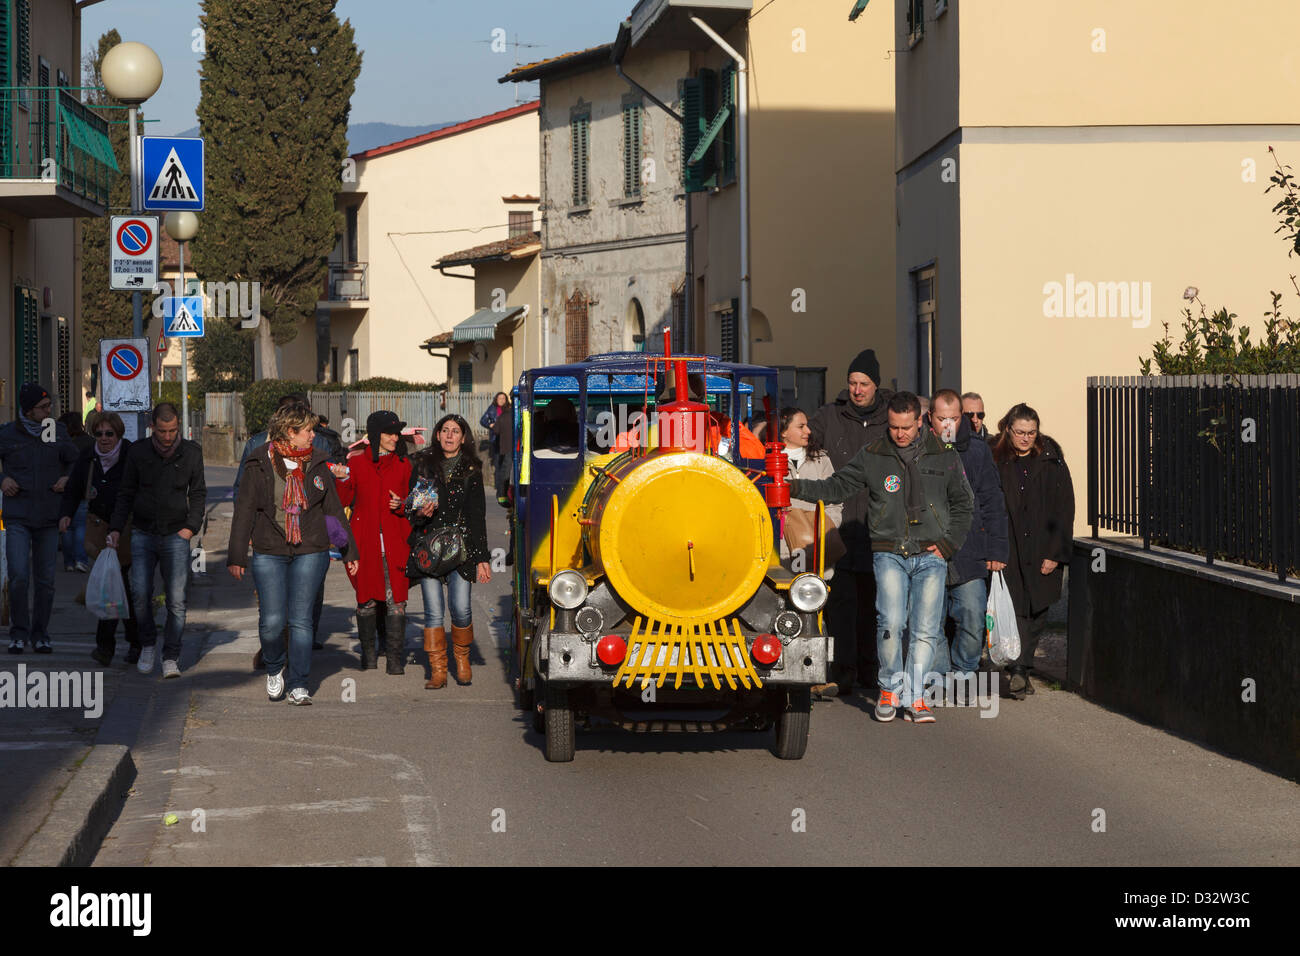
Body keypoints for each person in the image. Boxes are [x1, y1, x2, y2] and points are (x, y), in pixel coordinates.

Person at [792, 391, 974, 723]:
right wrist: (793, 487)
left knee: (926, 628)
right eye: (893, 427)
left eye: (906, 427)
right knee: (890, 623)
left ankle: (916, 697)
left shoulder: (945, 456)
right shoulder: (873, 454)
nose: (900, 433)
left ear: (920, 421)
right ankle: (889, 689)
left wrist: (949, 543)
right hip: (889, 552)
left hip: (932, 553)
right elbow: (836, 487)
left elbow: (964, 503)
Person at [227, 402, 358, 705]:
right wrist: (236, 556)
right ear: (290, 432)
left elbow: (333, 510)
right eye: (309, 430)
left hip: (310, 549)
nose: (314, 435)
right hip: (269, 550)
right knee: (273, 622)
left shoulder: (319, 462)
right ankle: (275, 668)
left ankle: (299, 683)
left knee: (301, 620)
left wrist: (350, 553)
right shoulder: (258, 461)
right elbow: (244, 509)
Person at [807, 348, 895, 698]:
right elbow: (803, 439)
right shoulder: (831, 416)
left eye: (865, 383)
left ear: (876, 385)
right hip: (840, 529)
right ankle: (843, 671)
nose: (858, 390)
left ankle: (871, 671)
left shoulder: (890, 417)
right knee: (841, 605)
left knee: (876, 606)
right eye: (853, 383)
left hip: (879, 529)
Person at [236, 393, 342, 657]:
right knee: (272, 606)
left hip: (311, 539)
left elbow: (333, 498)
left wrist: (341, 542)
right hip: (271, 538)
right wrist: (246, 535)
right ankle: (275, 648)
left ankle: (301, 647)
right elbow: (243, 492)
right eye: (303, 425)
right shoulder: (257, 446)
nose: (311, 432)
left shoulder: (323, 446)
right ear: (285, 425)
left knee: (308, 599)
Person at [107, 402, 206, 678]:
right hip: (142, 533)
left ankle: (171, 655)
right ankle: (148, 644)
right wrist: (116, 529)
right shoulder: (138, 452)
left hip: (176, 534)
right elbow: (125, 493)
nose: (167, 437)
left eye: (173, 430)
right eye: (162, 431)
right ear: (153, 426)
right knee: (139, 594)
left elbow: (198, 493)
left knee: (177, 600)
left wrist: (191, 527)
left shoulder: (191, 453)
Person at [991, 404, 1075, 700]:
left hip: (1043, 548)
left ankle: (1021, 671)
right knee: (1013, 611)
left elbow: (1065, 509)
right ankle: (1018, 670)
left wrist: (1055, 553)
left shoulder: (1051, 460)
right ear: (1008, 430)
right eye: (1020, 432)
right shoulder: (996, 458)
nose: (1025, 438)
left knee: (1038, 610)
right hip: (1009, 547)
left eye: (1031, 432)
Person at [407, 413, 492, 688]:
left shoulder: (471, 469)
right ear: (438, 434)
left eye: (455, 431)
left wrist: (482, 558)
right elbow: (412, 509)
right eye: (445, 430)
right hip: (429, 548)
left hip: (462, 550)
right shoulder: (422, 463)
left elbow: (477, 516)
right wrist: (420, 511)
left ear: (463, 437)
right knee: (433, 612)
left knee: (461, 609)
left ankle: (463, 661)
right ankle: (438, 670)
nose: (449, 435)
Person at [928, 389, 1008, 676]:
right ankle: (937, 676)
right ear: (930, 418)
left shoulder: (977, 450)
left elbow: (993, 500)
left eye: (953, 418)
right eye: (941, 419)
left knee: (973, 619)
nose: (948, 425)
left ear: (961, 417)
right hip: (929, 554)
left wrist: (997, 550)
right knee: (931, 623)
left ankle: (963, 671)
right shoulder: (918, 449)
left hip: (969, 552)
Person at [0, 384, 78, 653]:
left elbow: (75, 461)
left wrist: (67, 477)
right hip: (18, 515)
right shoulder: (8, 433)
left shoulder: (56, 432)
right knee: (19, 575)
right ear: (28, 410)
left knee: (45, 580)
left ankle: (41, 633)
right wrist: (3, 479)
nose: (49, 412)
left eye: (49, 407)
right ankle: (19, 632)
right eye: (43, 408)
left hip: (48, 516)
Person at [60, 411, 140, 666]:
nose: (104, 439)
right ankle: (129, 642)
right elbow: (73, 488)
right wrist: (66, 515)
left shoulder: (130, 456)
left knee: (118, 586)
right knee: (115, 586)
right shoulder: (89, 456)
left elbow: (134, 494)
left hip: (125, 527)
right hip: (98, 526)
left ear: (118, 434)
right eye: (99, 434)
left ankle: (114, 645)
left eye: (109, 434)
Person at [336, 410, 413, 673]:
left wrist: (402, 505)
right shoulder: (356, 464)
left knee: (396, 601)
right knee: (366, 599)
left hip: (397, 542)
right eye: (389, 432)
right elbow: (343, 500)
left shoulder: (404, 464)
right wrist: (342, 477)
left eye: (396, 433)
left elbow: (415, 503)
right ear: (375, 434)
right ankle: (368, 658)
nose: (395, 437)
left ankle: (394, 660)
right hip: (363, 542)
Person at [777, 407, 841, 579]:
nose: (808, 431)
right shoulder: (770, 461)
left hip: (818, 543)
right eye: (801, 426)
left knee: (816, 595)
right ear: (784, 431)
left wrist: (829, 524)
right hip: (783, 547)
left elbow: (835, 497)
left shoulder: (821, 460)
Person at [58, 412, 93, 572]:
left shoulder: (61, 443)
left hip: (64, 490)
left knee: (66, 526)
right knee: (80, 526)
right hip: (84, 489)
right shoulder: (90, 442)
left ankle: (68, 561)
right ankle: (81, 559)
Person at [482, 393, 514, 507]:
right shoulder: (493, 409)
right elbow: (483, 420)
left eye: (503, 398)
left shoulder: (507, 412)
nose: (501, 400)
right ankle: (501, 491)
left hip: (505, 441)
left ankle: (502, 492)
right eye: (499, 398)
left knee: (504, 468)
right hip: (498, 440)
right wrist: (491, 425)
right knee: (500, 466)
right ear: (496, 399)